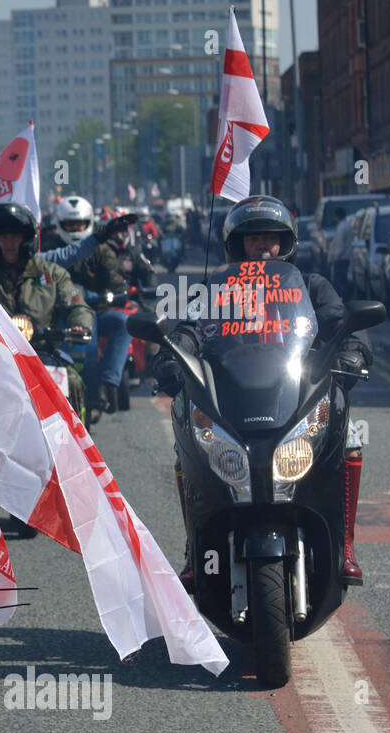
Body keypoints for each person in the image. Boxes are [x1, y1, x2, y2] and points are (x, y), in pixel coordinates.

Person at [152, 195, 373, 588]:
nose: (263, 247)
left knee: (352, 438)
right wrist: (172, 358)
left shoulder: (311, 285)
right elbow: (186, 330)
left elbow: (343, 325)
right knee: (186, 446)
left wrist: (353, 352)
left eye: (271, 238)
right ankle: (195, 547)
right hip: (231, 396)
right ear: (237, 245)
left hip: (297, 391)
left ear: (286, 243)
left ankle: (346, 544)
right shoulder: (213, 288)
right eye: (253, 239)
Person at [0, 203, 94, 416]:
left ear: (26, 239)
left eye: (14, 237)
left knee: (73, 381)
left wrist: (79, 325)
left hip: (42, 352)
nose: (9, 244)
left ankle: (77, 443)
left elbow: (76, 303)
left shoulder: (52, 273)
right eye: (3, 238)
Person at [49, 195, 130, 413]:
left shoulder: (103, 251)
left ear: (89, 224)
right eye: (70, 224)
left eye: (79, 224)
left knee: (124, 323)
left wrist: (117, 292)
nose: (75, 229)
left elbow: (116, 281)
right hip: (57, 318)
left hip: (96, 312)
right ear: (60, 224)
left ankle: (108, 381)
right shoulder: (50, 247)